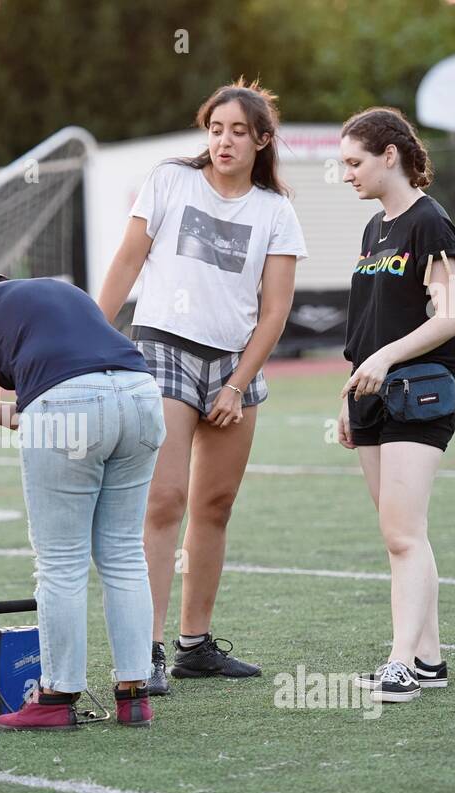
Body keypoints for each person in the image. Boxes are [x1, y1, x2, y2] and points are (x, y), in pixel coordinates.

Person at [96, 78, 307, 694]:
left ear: (262, 140)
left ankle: (195, 646)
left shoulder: (276, 211)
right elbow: (127, 262)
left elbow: (274, 313)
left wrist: (237, 385)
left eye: (239, 131)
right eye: (216, 129)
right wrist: (87, 331)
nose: (224, 141)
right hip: (163, 347)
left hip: (235, 366)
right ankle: (148, 650)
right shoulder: (170, 180)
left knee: (214, 506)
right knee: (164, 501)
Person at [0, 274, 165, 729]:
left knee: (61, 561)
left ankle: (57, 695)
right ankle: (135, 694)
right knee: (125, 555)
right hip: (140, 395)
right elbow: (60, 396)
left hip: (70, 406)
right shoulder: (57, 294)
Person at [337, 107, 455, 704]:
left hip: (420, 394)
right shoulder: (374, 229)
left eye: (354, 162)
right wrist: (348, 395)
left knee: (402, 534)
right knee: (401, 534)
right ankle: (429, 659)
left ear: (390, 155)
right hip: (369, 397)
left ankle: (399, 666)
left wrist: (386, 358)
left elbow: (450, 316)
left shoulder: (430, 223)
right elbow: (366, 326)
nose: (346, 175)